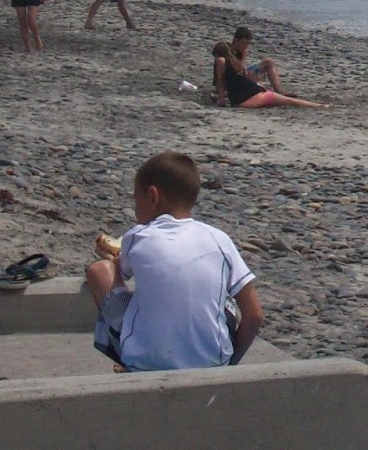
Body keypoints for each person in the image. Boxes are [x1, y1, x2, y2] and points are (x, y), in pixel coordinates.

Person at [85, 151, 264, 372]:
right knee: (226, 297)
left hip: (145, 364)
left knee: (99, 270)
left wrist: (114, 262)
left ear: (152, 196)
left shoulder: (137, 236)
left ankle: (126, 359)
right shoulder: (219, 239)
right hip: (214, 364)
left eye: (135, 198)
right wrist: (229, 364)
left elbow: (120, 270)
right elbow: (255, 314)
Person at [213, 39, 327, 109]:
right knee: (288, 100)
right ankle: (318, 106)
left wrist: (221, 99)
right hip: (249, 97)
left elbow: (220, 82)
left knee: (286, 100)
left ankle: (318, 106)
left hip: (245, 98)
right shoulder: (234, 63)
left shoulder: (221, 61)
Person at [209, 27, 285, 103]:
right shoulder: (224, 50)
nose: (245, 46)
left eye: (247, 44)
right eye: (243, 43)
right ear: (235, 40)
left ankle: (278, 90)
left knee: (268, 62)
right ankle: (225, 95)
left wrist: (250, 76)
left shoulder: (243, 52)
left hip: (239, 76)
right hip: (229, 80)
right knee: (259, 86)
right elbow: (222, 75)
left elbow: (242, 70)